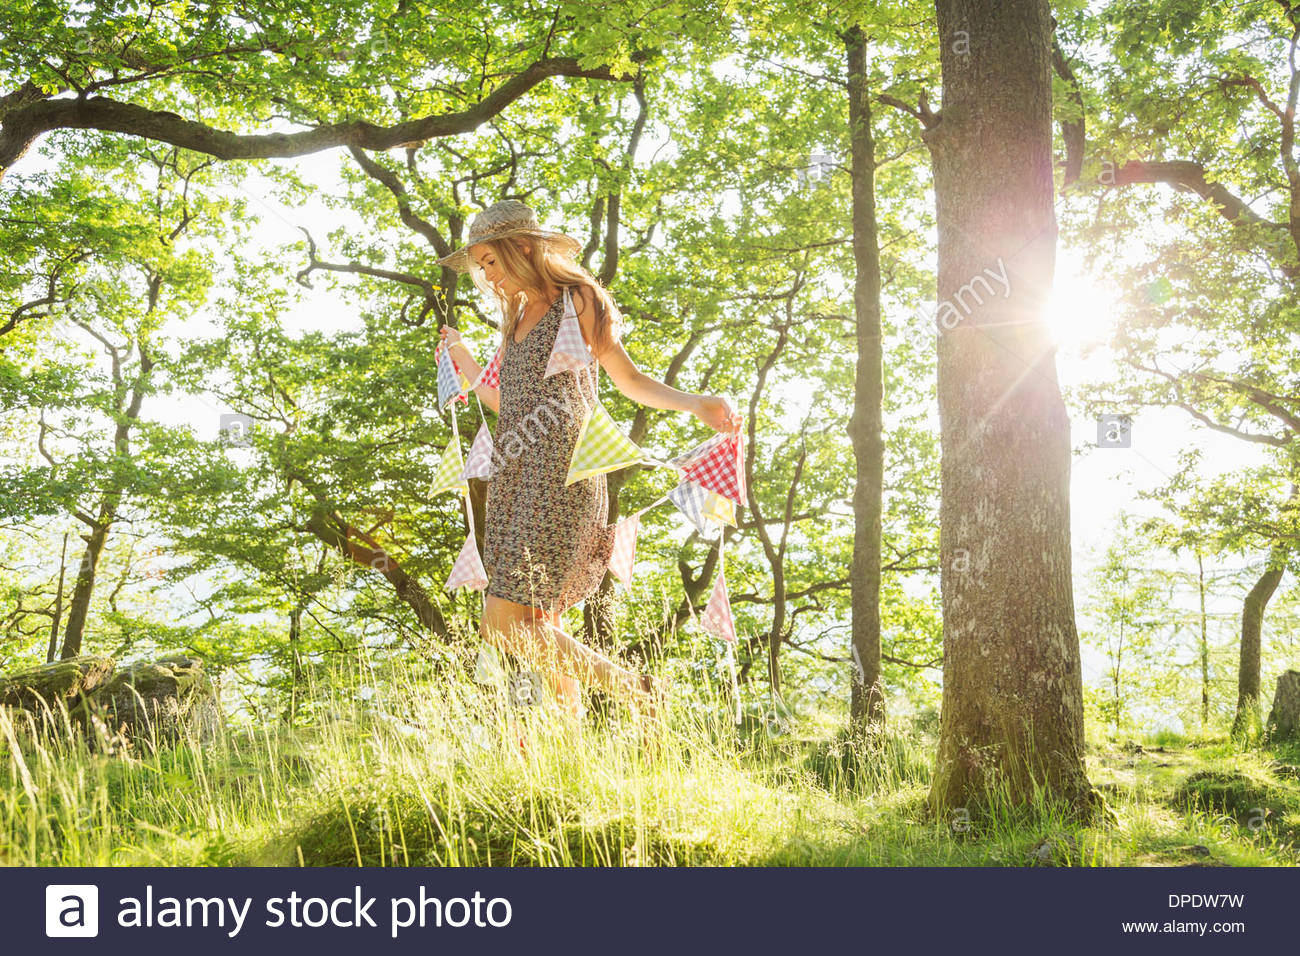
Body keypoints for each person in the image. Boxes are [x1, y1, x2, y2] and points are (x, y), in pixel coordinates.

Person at [437, 199, 741, 745]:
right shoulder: (514, 321)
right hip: (514, 476)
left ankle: (633, 688)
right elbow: (508, 402)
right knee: (539, 625)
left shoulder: (577, 300)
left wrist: (695, 402)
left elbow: (629, 379)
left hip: (565, 470)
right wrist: (461, 356)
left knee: (503, 626)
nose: (485, 275)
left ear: (523, 248)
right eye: (479, 266)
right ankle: (563, 756)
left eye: (490, 260)